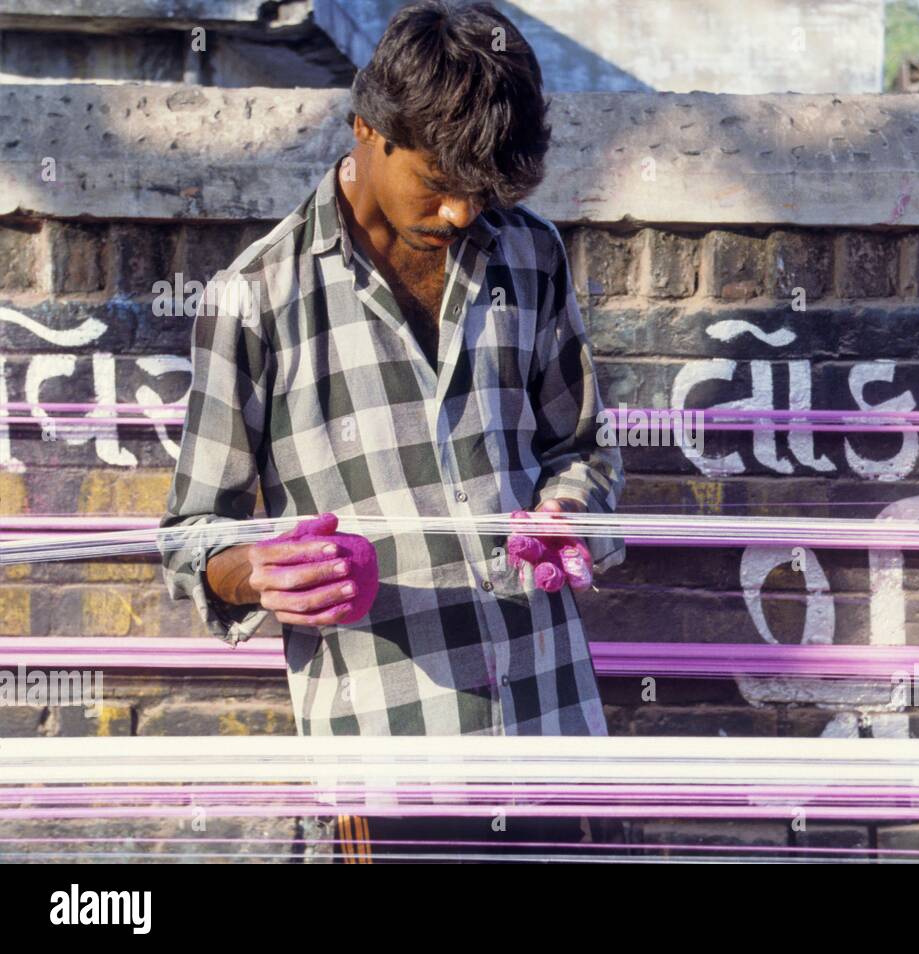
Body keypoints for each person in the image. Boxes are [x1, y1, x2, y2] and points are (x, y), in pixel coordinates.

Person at [159, 0, 625, 863]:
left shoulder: (532, 256)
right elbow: (192, 539)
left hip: (556, 739)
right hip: (389, 766)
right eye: (440, 182)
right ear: (367, 126)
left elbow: (583, 450)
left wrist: (571, 515)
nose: (458, 214)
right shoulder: (253, 298)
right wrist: (257, 574)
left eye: (481, 191)